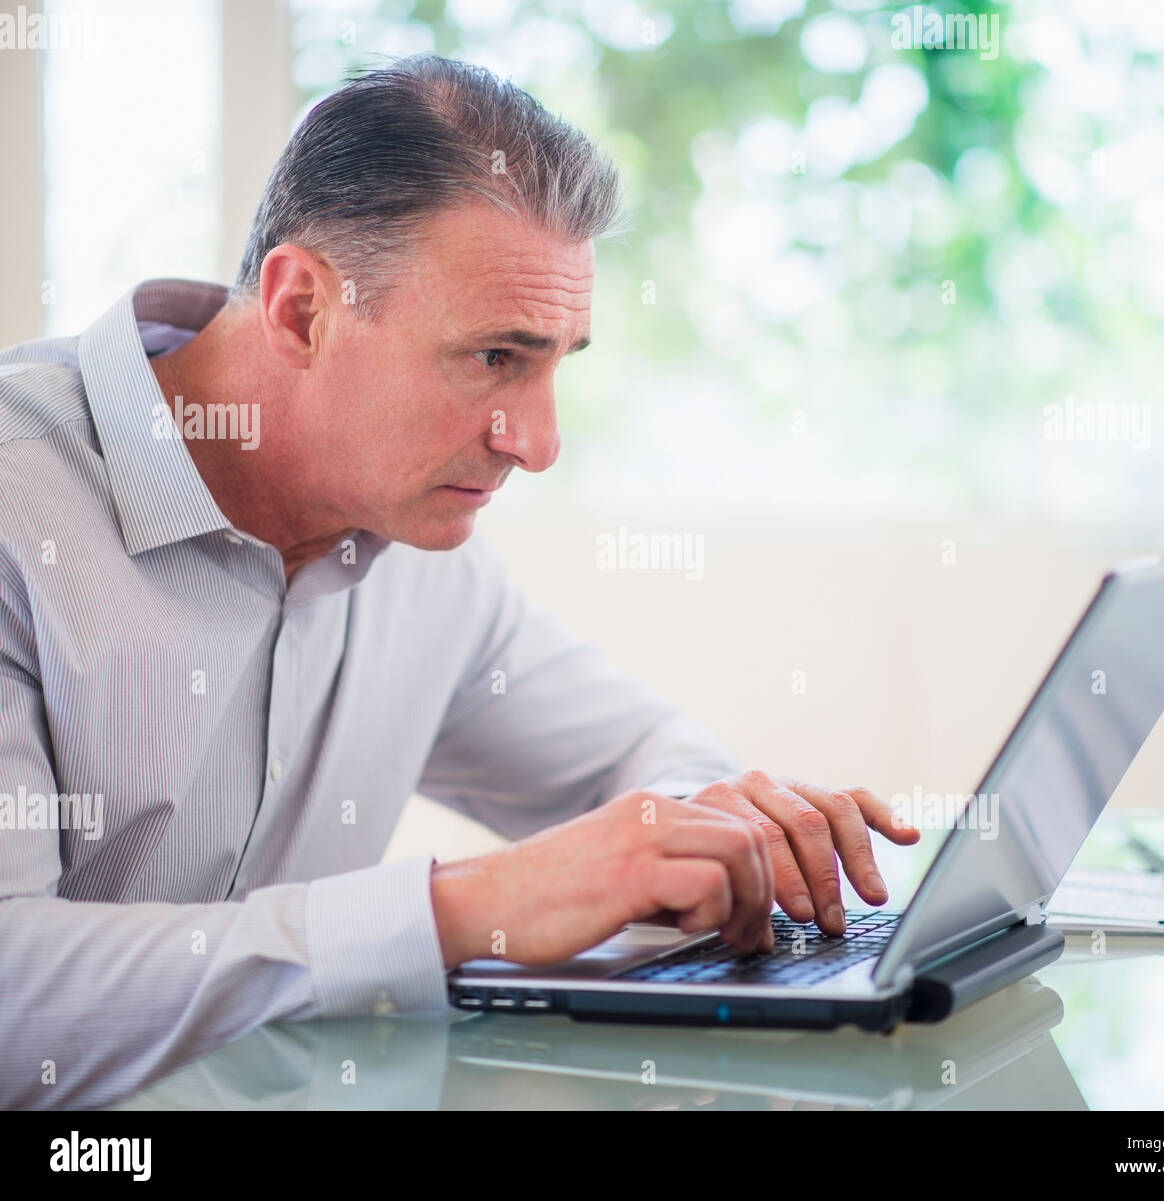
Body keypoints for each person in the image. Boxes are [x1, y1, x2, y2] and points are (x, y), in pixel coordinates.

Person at [0, 54, 918, 1109]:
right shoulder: (20, 508)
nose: (537, 442)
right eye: (494, 357)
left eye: (556, 360)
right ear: (302, 310)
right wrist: (454, 912)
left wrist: (698, 829)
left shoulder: (418, 557)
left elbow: (643, 763)